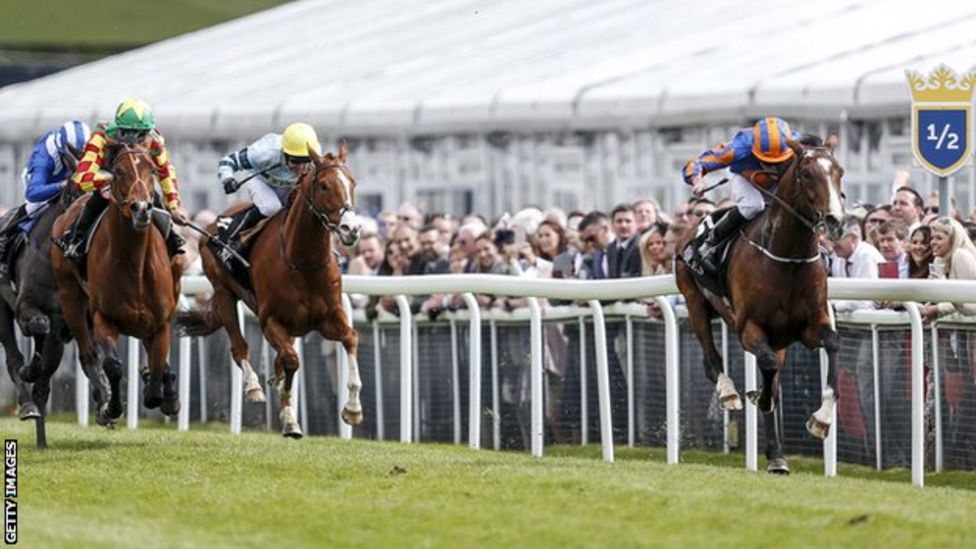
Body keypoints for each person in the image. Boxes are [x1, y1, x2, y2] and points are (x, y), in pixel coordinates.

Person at [55, 99, 188, 261]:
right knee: (95, 201)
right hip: (109, 176)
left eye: (141, 134)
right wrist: (106, 182)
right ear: (119, 129)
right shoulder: (101, 137)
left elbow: (166, 172)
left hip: (139, 180)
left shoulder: (153, 141)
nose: (135, 140)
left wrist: (174, 207)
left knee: (156, 200)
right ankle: (76, 240)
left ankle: (173, 240)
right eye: (128, 133)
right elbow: (82, 177)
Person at [682, 117, 802, 274]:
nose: (773, 166)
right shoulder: (739, 147)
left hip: (776, 181)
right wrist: (698, 181)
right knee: (753, 206)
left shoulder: (797, 144)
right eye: (766, 160)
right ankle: (710, 242)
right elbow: (698, 162)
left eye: (779, 161)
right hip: (743, 176)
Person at [213, 122, 322, 264]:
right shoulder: (265, 152)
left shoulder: (315, 153)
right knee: (271, 207)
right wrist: (228, 179)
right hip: (261, 181)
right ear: (284, 153)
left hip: (289, 185)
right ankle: (231, 231)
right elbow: (227, 161)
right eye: (295, 161)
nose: (301, 168)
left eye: (305, 161)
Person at [0, 120, 91, 278]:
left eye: (83, 157)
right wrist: (62, 186)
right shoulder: (46, 153)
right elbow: (33, 193)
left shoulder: (92, 145)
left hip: (73, 181)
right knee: (34, 208)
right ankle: (5, 242)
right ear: (64, 151)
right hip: (46, 182)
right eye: (75, 157)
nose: (79, 162)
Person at [921, 217, 976, 321]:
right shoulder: (938, 260)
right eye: (932, 238)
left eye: (939, 238)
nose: (933, 242)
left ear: (953, 240)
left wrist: (938, 309)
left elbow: (969, 302)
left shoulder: (961, 255)